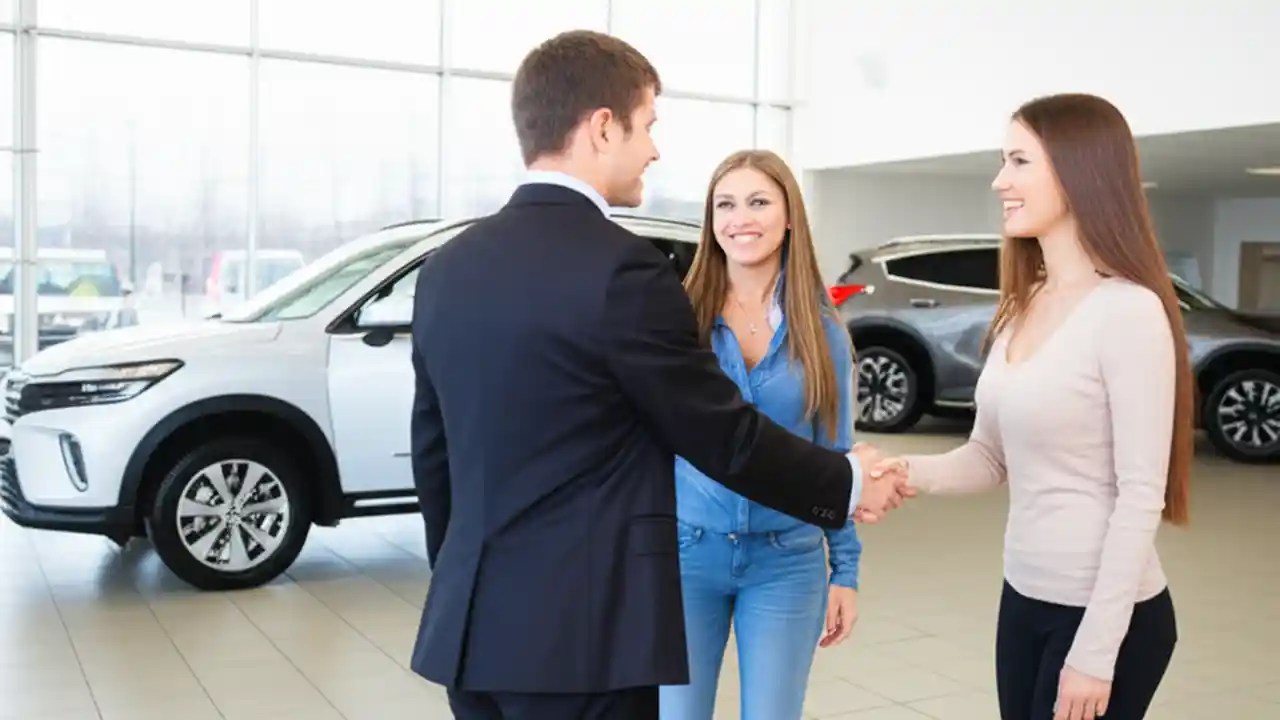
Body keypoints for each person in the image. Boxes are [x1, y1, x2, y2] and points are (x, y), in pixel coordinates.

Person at [408, 31, 904, 720]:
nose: (654, 149)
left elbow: (435, 458)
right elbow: (719, 434)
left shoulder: (447, 269)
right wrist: (846, 484)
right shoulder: (623, 269)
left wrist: (467, 586)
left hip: (470, 632)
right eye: (648, 125)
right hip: (585, 642)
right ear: (603, 127)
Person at [869, 93, 1193, 720]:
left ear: (1078, 172)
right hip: (1024, 595)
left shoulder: (1128, 312)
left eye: (1018, 161)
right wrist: (900, 469)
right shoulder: (1026, 302)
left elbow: (1140, 494)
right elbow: (990, 456)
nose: (1000, 181)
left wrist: (1098, 653)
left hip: (1107, 615)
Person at [658, 150, 863, 720]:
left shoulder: (822, 332)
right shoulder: (678, 320)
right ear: (710, 220)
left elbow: (835, 457)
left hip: (786, 561)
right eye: (726, 204)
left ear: (789, 216)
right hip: (685, 556)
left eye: (758, 202)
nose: (740, 218)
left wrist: (845, 569)